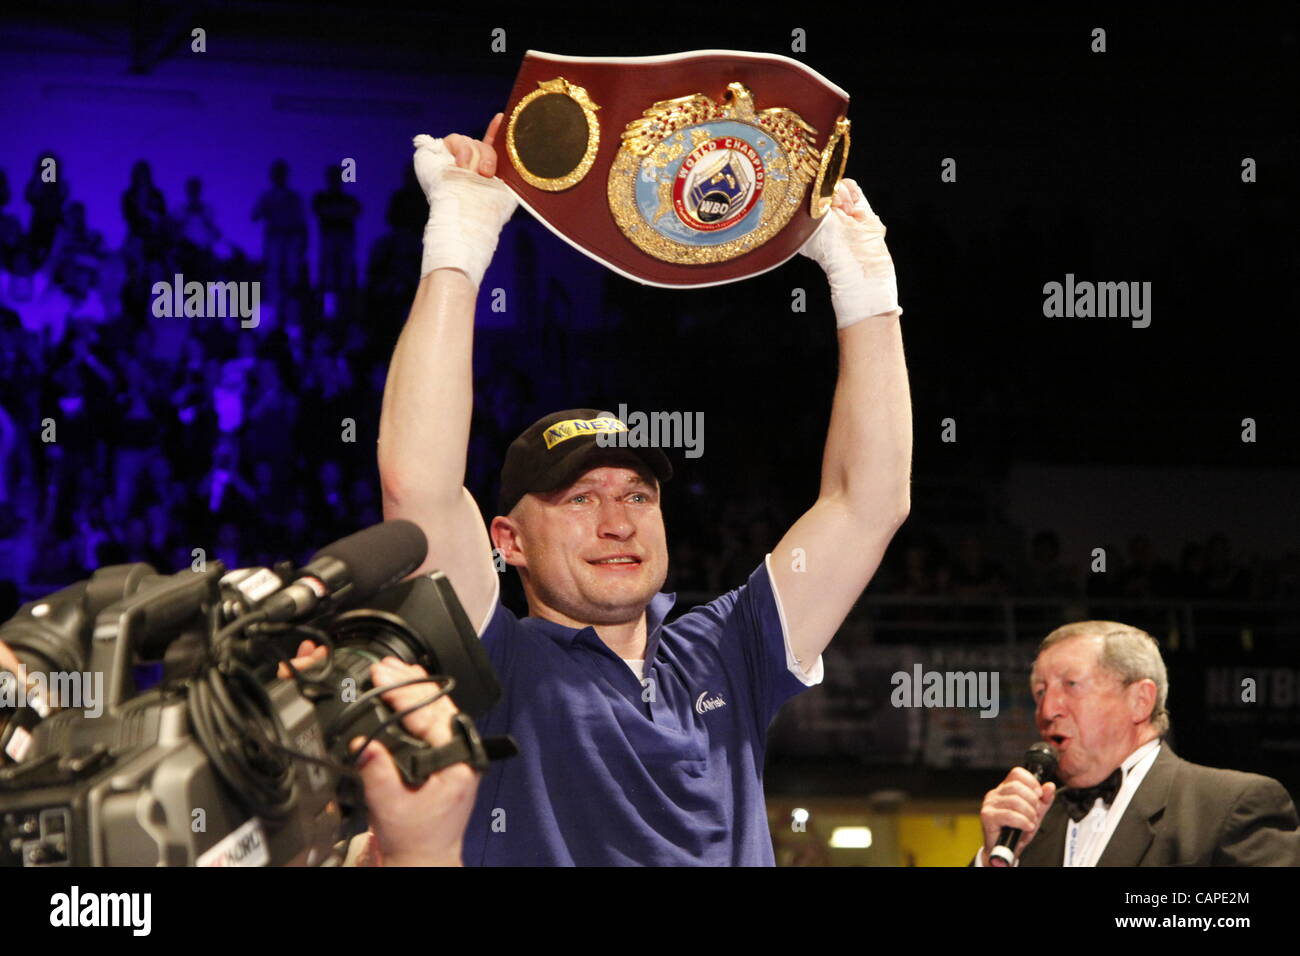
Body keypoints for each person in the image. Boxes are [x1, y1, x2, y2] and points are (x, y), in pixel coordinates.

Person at [369, 114, 912, 865]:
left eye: (637, 495)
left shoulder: (731, 648)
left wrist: (864, 286)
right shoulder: (494, 660)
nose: (618, 522)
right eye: (579, 498)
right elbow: (418, 486)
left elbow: (868, 504)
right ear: (509, 541)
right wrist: (460, 241)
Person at [975, 620, 1300, 866]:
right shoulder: (1029, 826)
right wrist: (992, 856)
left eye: (1071, 685)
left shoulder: (1230, 806)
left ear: (1140, 701)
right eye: (1040, 692)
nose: (1047, 711)